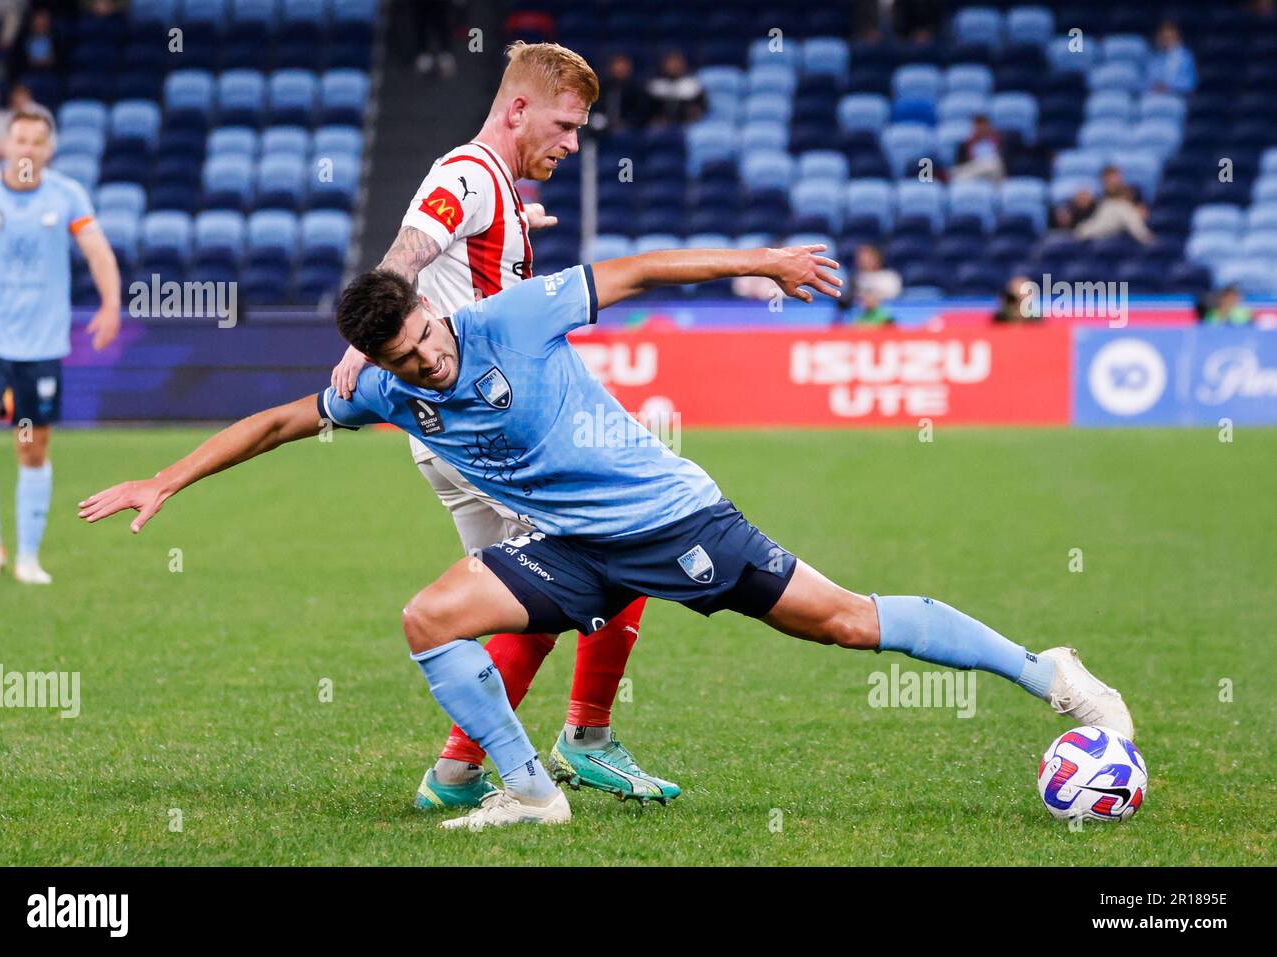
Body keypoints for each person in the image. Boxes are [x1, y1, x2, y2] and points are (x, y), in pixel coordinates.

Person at [79, 243, 1136, 830]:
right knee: (429, 617)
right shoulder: (387, 394)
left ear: (436, 315)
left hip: (673, 521)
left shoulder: (510, 316)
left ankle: (1050, 672)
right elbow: (277, 423)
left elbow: (632, 272)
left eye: (424, 338)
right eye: (402, 358)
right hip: (570, 551)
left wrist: (757, 261)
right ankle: (530, 794)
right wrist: (163, 480)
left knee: (851, 624)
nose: (428, 361)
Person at [328, 41, 679, 809]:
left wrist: (517, 224)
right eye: (564, 124)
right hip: (487, 432)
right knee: (623, 543)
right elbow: (407, 253)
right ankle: (582, 739)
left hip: (455, 436)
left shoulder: (493, 192)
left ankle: (459, 773)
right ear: (516, 109)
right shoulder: (466, 175)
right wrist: (367, 337)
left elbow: (458, 257)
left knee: (532, 598)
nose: (573, 142)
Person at [0, 105, 121, 584]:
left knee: (31, 448)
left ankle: (27, 556)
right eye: (20, 140)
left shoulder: (66, 196)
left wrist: (110, 303)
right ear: (5, 146)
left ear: (49, 150)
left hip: (40, 345)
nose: (28, 149)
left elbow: (97, 251)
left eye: (37, 142)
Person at [1070, 165, 1153, 245]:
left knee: (1123, 209)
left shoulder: (1133, 192)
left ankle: (1145, 239)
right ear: (1103, 181)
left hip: (1126, 227)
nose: (1112, 182)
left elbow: (1143, 211)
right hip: (1106, 228)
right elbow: (1092, 216)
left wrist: (1139, 211)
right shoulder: (1100, 200)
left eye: (1114, 178)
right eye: (1108, 180)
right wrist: (1082, 203)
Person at [646, 50, 706, 126]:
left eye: (677, 63)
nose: (674, 66)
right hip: (660, 126)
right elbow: (647, 109)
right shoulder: (654, 84)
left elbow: (703, 107)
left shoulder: (692, 84)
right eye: (670, 63)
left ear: (683, 65)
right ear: (663, 65)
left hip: (687, 125)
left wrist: (695, 113)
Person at [950, 114, 1005, 183]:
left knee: (993, 163)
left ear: (988, 127)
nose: (981, 129)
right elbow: (961, 163)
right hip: (974, 170)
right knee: (957, 175)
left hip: (993, 170)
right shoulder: (965, 144)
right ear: (974, 127)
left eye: (984, 127)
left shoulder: (999, 141)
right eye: (979, 127)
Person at [1146, 20, 1196, 94]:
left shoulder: (1185, 58)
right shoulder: (1154, 57)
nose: (1166, 41)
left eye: (1169, 38)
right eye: (1163, 38)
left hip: (1177, 96)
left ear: (1177, 38)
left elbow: (1190, 84)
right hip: (1153, 95)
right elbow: (1146, 80)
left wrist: (1169, 86)